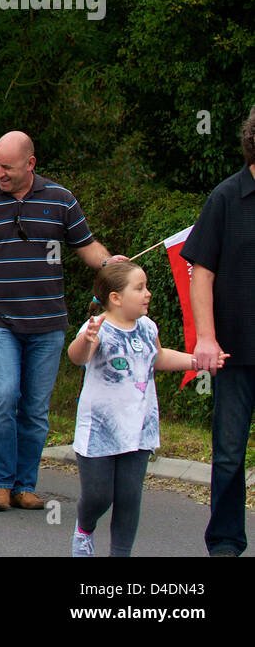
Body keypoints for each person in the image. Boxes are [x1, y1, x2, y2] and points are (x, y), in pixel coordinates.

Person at [0, 131, 126, 511]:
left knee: (35, 408)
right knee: (4, 394)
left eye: (6, 167)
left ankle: (24, 484)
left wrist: (109, 264)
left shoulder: (60, 200)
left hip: (48, 322)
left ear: (31, 163)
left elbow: (86, 245)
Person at [68, 262, 221, 556]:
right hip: (100, 429)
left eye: (146, 287)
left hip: (139, 428)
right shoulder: (98, 327)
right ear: (116, 298)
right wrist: (86, 341)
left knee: (129, 497)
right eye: (139, 288)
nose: (147, 294)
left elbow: (158, 357)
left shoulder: (148, 328)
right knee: (99, 496)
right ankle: (84, 529)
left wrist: (198, 361)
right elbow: (77, 357)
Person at [182, 103, 255, 556]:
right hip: (235, 353)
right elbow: (201, 273)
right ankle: (226, 543)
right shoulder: (226, 198)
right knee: (229, 454)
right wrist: (205, 338)